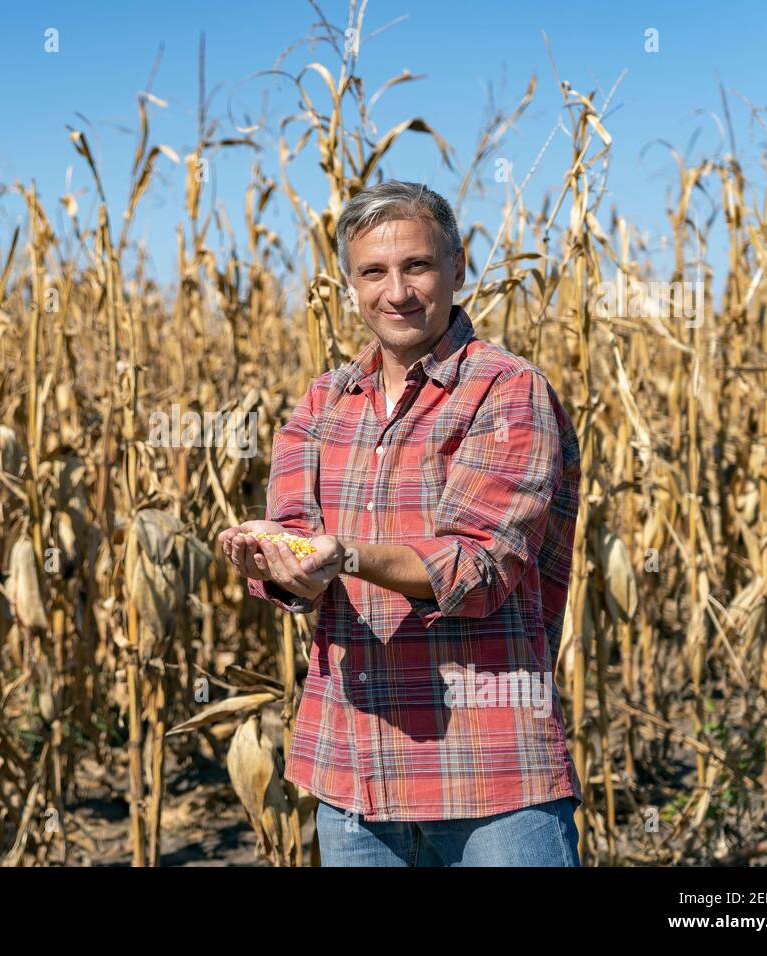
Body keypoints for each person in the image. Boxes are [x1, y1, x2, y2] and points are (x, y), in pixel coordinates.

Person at [219, 180, 583, 866]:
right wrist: (273, 561)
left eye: (417, 266)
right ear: (348, 284)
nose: (398, 292)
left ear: (458, 268)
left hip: (491, 775)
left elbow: (478, 568)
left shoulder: (507, 392)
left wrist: (346, 554)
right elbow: (297, 553)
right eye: (373, 272)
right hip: (353, 777)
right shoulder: (322, 403)